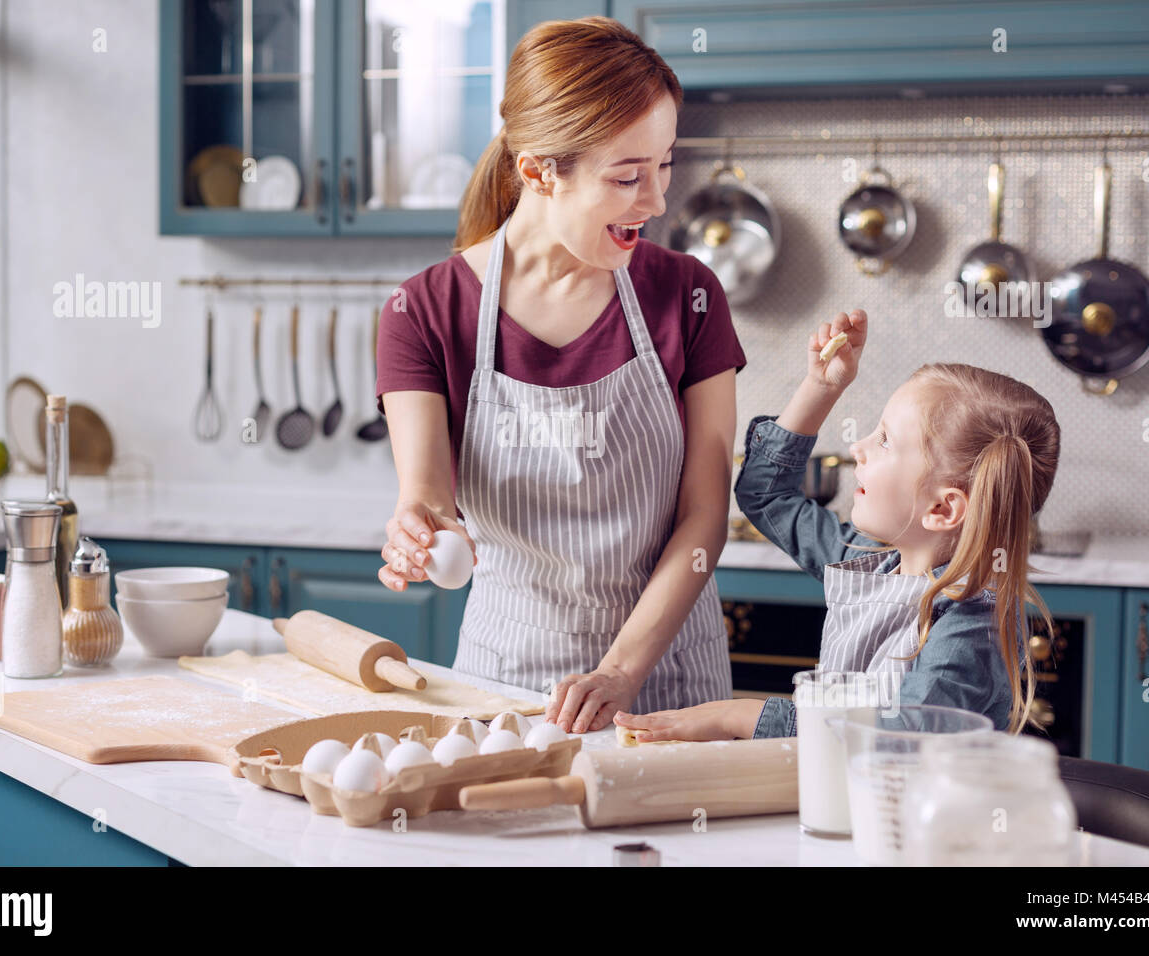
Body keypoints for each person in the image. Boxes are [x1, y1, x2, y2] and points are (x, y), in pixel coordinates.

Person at [375, 17, 746, 734]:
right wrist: (414, 535)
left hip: (672, 684)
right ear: (540, 171)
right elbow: (427, 499)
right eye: (628, 177)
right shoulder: (423, 311)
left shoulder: (688, 295)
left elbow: (706, 513)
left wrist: (621, 672)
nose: (657, 201)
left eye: (664, 165)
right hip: (506, 689)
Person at [613, 309, 1061, 742]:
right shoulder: (869, 559)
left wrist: (739, 713)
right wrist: (820, 387)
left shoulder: (970, 621)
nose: (857, 446)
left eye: (884, 440)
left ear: (942, 510)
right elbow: (765, 494)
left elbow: (902, 736)